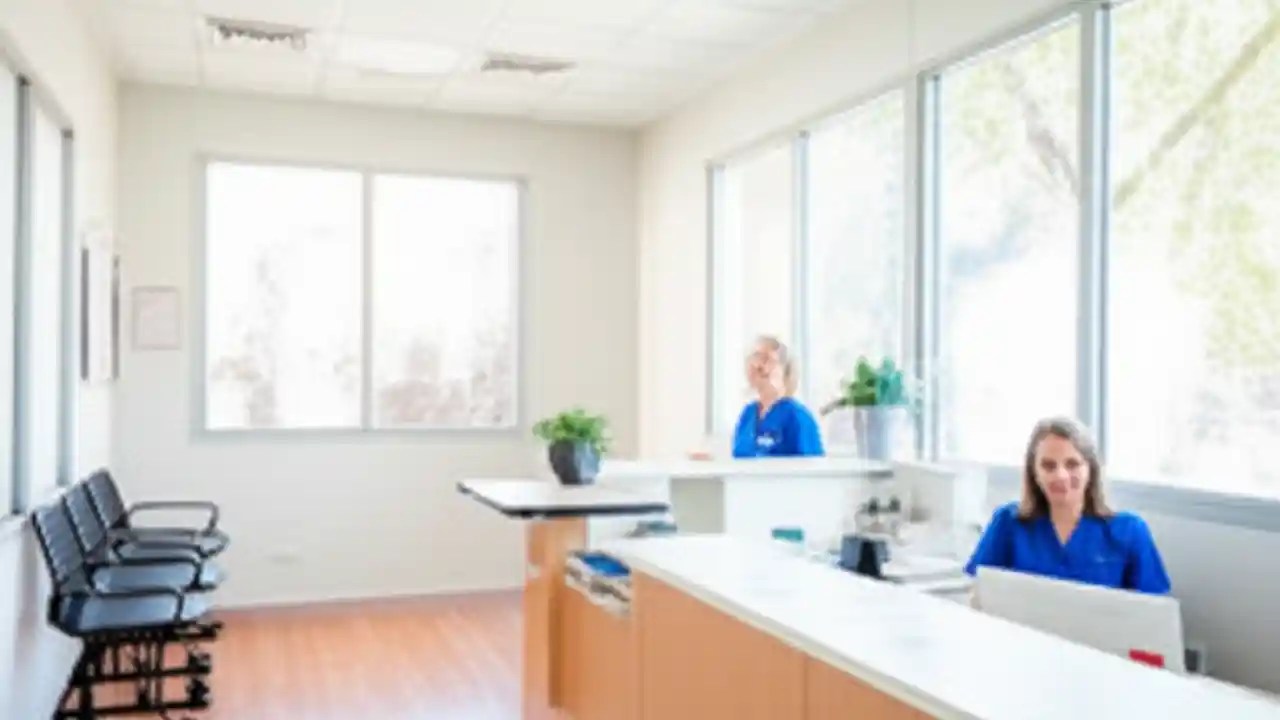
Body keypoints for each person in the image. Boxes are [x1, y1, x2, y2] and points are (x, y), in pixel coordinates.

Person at [964, 416, 1171, 594]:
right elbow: (978, 592)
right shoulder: (1008, 523)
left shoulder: (1130, 530)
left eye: (1072, 464)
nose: (1060, 476)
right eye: (1048, 466)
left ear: (1090, 469)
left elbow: (1153, 613)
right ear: (1034, 472)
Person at [729, 335, 825, 459]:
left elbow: (811, 468)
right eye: (755, 358)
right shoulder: (747, 415)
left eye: (766, 359)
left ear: (785, 370)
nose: (759, 366)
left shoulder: (796, 416)